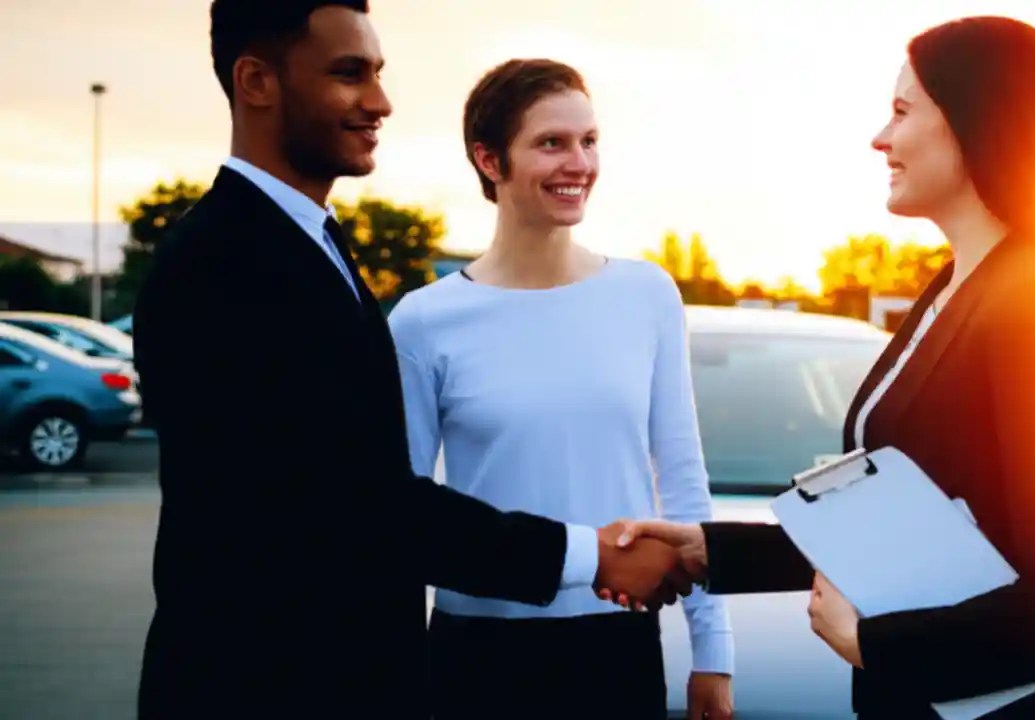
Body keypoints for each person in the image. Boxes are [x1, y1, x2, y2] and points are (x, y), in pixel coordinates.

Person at [132, 4, 687, 718]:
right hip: (265, 688)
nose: (380, 102)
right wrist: (590, 555)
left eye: (379, 74)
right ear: (256, 81)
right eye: (348, 74)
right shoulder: (221, 266)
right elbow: (355, 506)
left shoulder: (304, 246)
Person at [611, 15, 1035, 719]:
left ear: (975, 119)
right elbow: (905, 531)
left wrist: (877, 645)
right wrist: (708, 551)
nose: (879, 138)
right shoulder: (955, 287)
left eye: (901, 110)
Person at [386, 58, 734, 720]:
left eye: (589, 140)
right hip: (474, 655)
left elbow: (684, 482)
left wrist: (713, 654)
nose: (579, 163)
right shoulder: (423, 321)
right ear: (490, 160)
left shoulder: (646, 295)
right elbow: (402, 516)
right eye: (551, 143)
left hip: (618, 645)